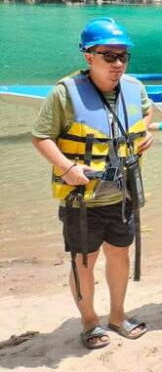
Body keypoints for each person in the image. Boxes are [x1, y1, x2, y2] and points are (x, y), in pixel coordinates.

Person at [32, 18, 153, 349]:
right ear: (88, 56)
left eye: (123, 56)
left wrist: (143, 136)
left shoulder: (135, 88)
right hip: (82, 200)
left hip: (122, 194)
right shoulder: (64, 94)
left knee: (120, 255)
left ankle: (117, 315)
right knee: (84, 261)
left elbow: (147, 113)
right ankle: (89, 322)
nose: (117, 64)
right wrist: (67, 166)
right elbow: (40, 136)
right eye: (108, 55)